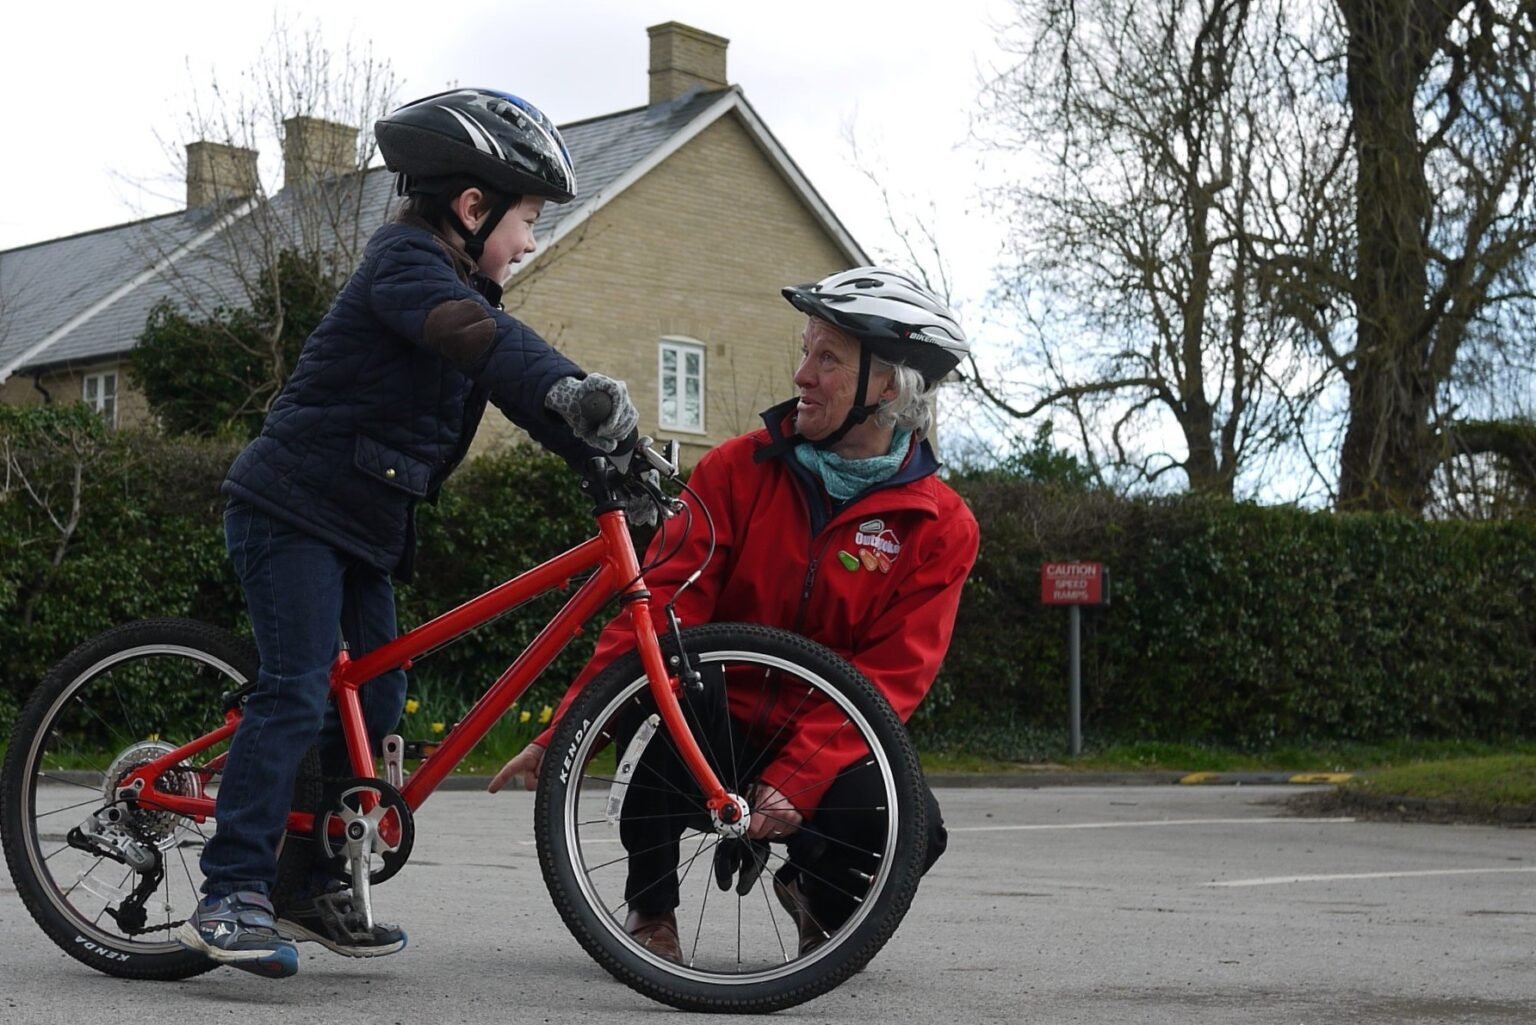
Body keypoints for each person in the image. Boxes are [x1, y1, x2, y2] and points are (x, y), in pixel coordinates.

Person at [177, 88, 647, 979]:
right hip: (291, 509)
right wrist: (570, 384)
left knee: (377, 704)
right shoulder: (406, 266)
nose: (532, 240)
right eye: (528, 218)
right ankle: (230, 889)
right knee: (297, 685)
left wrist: (604, 446)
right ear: (471, 208)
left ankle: (306, 882)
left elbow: (511, 380)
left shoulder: (458, 280)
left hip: (361, 524)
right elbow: (485, 341)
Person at [490, 266, 979, 964]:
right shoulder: (735, 469)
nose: (802, 373)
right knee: (668, 686)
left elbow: (892, 676)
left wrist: (800, 773)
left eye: (828, 358)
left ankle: (815, 893)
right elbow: (654, 610)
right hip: (717, 718)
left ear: (888, 386)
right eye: (805, 349)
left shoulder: (941, 524)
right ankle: (651, 907)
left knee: (912, 823)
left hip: (818, 730)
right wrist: (566, 735)